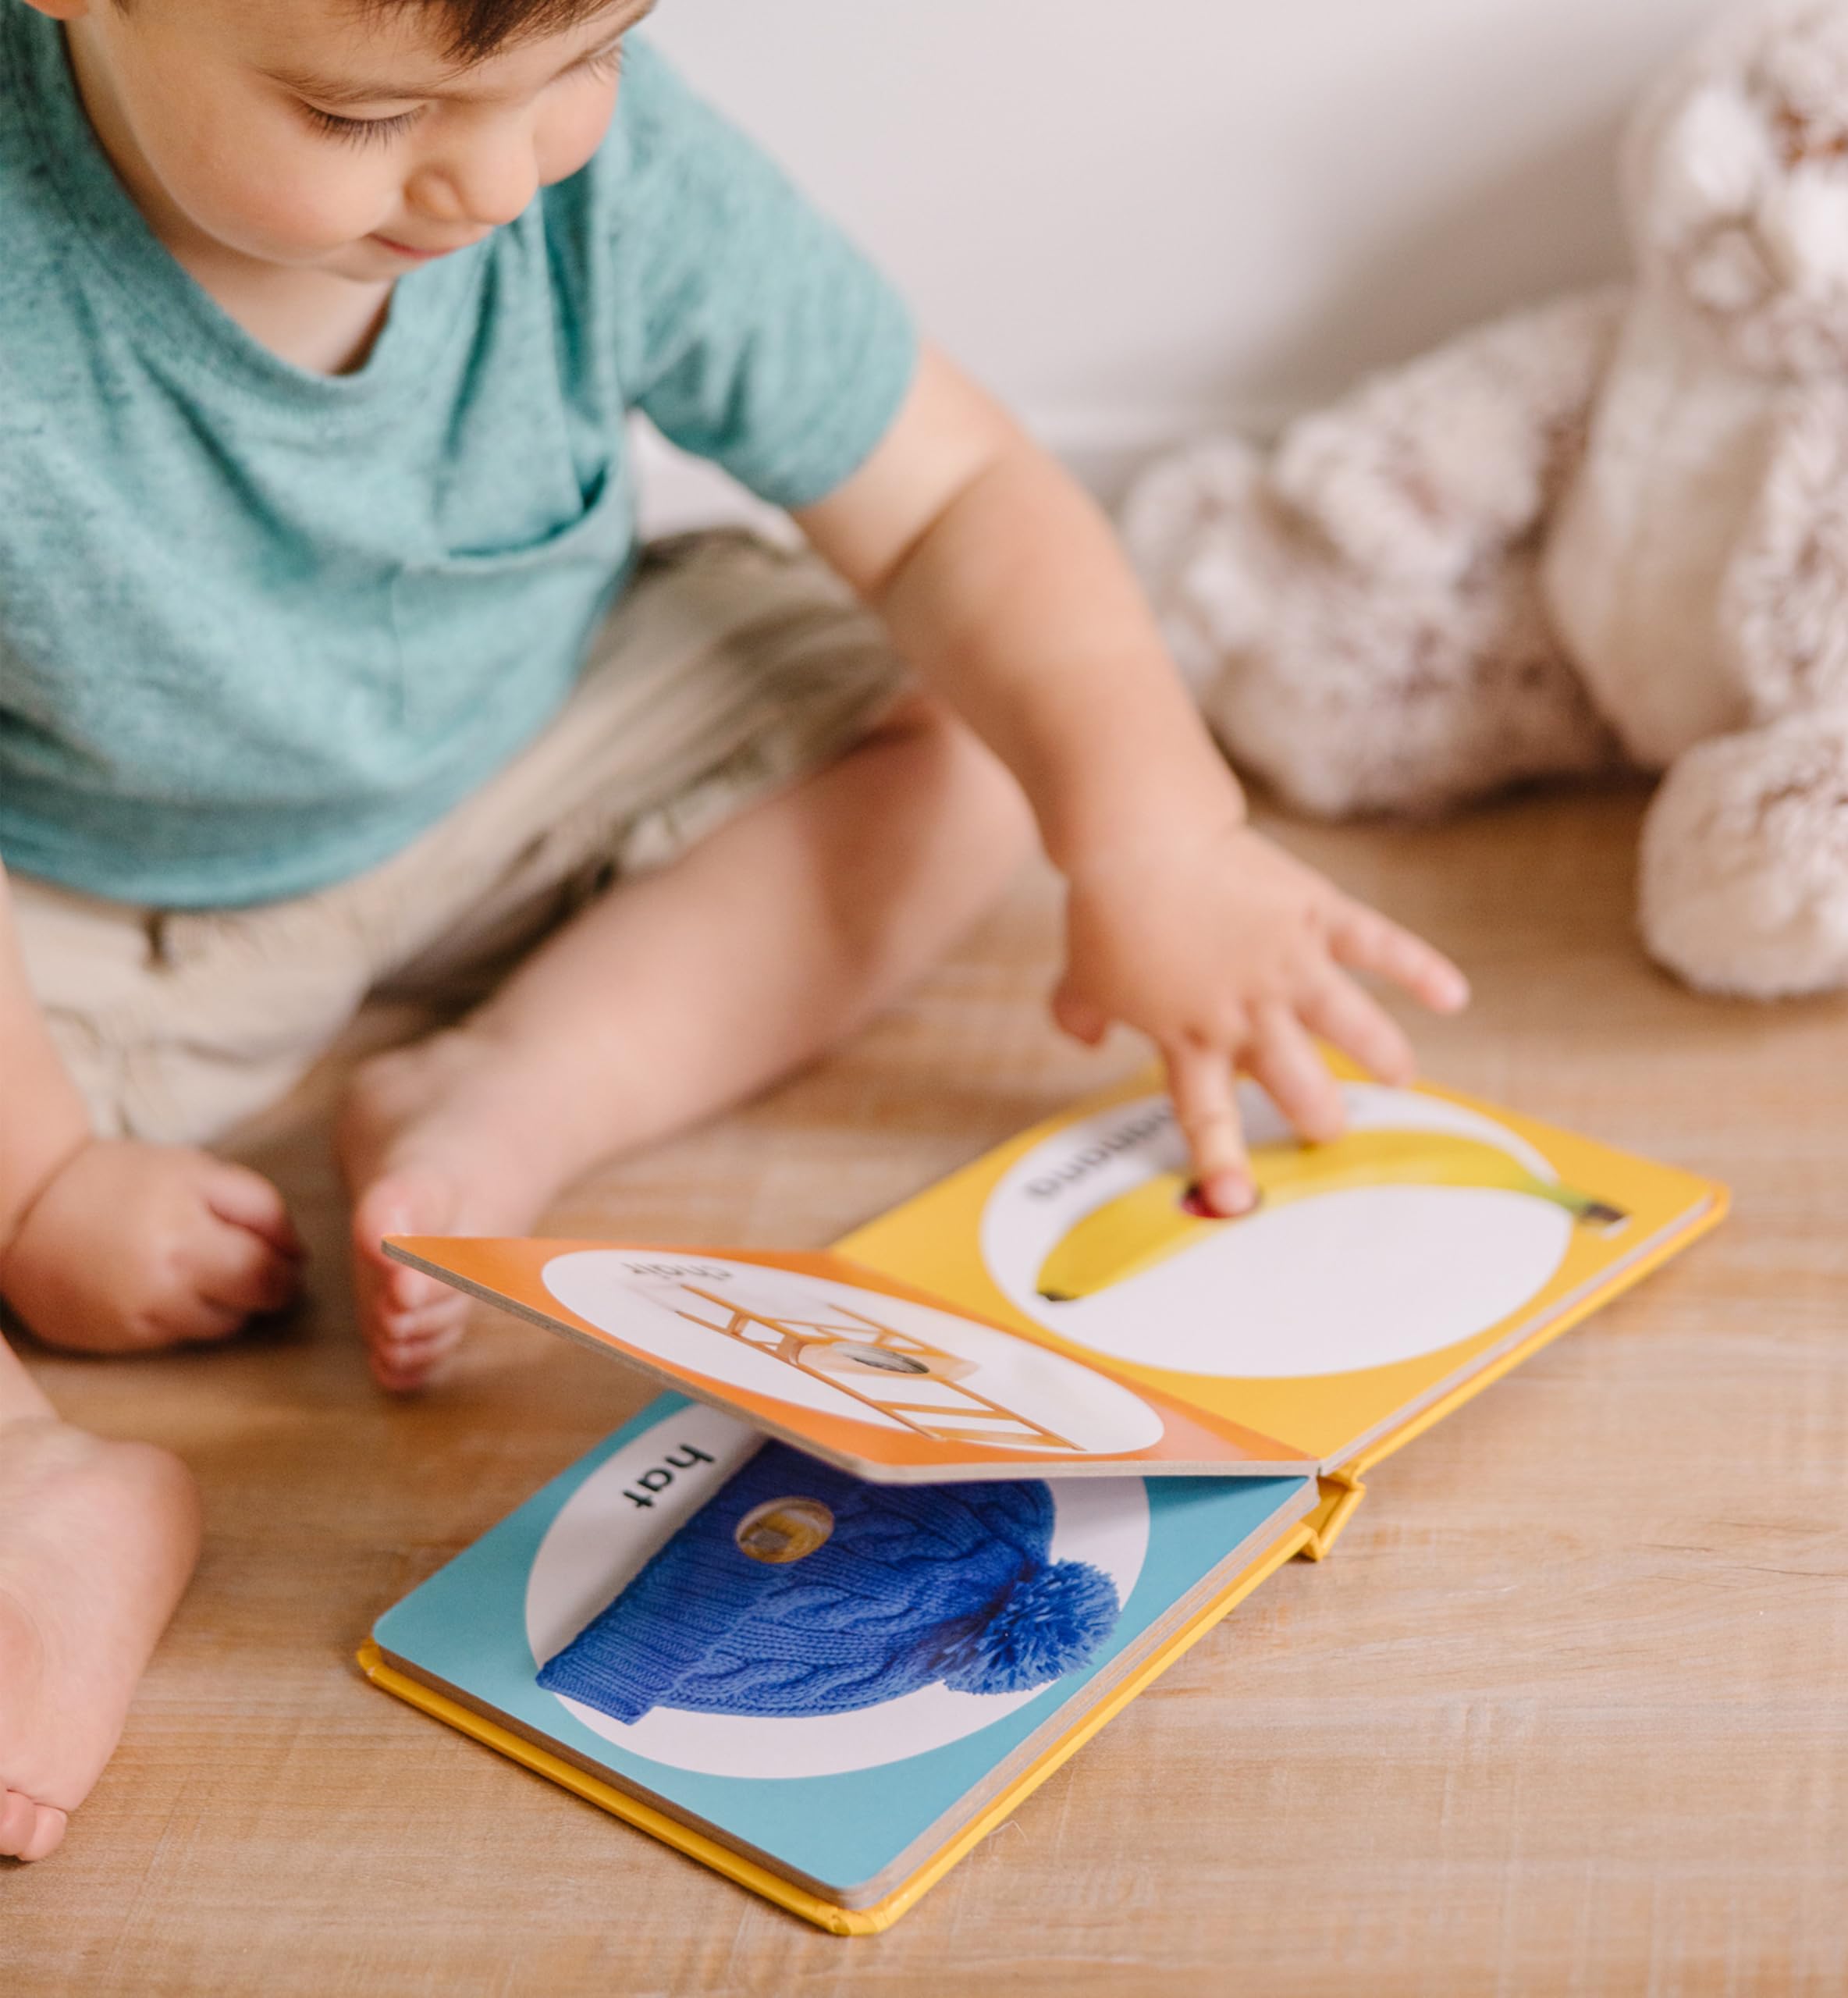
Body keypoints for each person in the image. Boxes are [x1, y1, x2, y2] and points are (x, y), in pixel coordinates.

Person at [0, 0, 1467, 1861]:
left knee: (955, 742)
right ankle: (38, 1484)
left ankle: (510, 1093)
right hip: (88, 907)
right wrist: (42, 1176)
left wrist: (1155, 835)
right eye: (364, 113)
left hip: (544, 748)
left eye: (585, 61)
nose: (499, 171)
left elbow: (942, 498)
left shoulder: (596, 165)